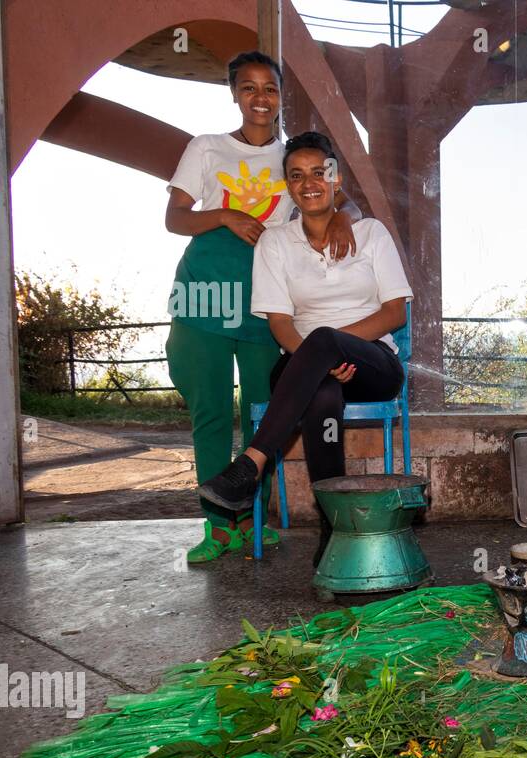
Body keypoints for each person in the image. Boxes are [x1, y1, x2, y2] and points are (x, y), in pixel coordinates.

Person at [165, 50, 359, 563]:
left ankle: (250, 519)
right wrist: (226, 214)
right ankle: (215, 528)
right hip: (203, 296)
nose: (259, 98)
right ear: (233, 94)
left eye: (269, 88)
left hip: (264, 302)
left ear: (279, 97)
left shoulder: (290, 155)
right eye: (248, 88)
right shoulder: (205, 148)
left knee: (264, 412)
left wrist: (342, 216)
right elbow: (175, 219)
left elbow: (341, 196)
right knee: (209, 412)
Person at [197, 131, 412, 566]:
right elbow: (279, 322)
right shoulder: (275, 243)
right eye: (296, 175)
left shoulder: (371, 233)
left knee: (324, 338)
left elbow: (394, 314)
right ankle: (332, 533)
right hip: (301, 366)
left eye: (319, 172)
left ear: (336, 178)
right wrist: (322, 359)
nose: (308, 182)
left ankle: (251, 462)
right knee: (323, 396)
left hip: (373, 363)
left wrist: (338, 347)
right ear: (288, 186)